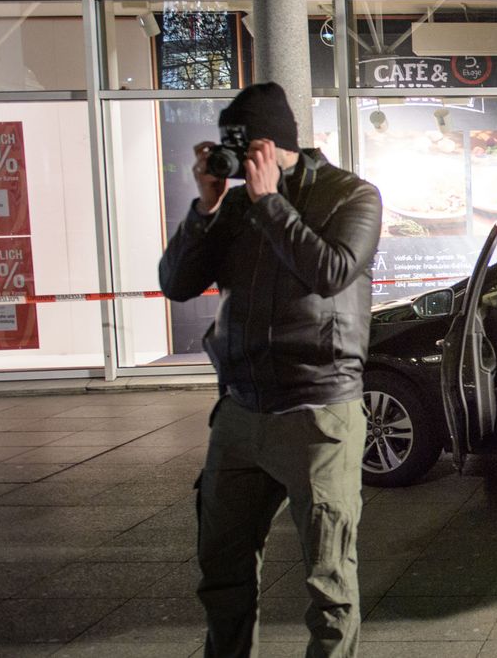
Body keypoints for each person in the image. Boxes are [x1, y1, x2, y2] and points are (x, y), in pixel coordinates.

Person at [160, 82, 382, 658]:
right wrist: (206, 205)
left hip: (317, 410)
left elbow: (331, 271)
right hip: (240, 409)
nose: (237, 158)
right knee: (221, 567)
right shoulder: (233, 206)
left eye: (245, 143)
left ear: (274, 143)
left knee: (328, 581)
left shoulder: (351, 195)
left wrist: (269, 203)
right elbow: (177, 283)